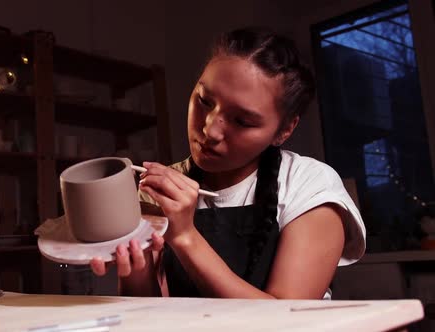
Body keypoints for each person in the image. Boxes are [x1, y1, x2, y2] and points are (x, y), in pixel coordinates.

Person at [90, 27, 366, 299]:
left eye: (242, 121)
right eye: (204, 101)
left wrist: (185, 236)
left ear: (284, 130)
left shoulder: (310, 184)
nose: (210, 130)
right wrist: (135, 269)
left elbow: (285, 319)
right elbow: (151, 314)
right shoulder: (162, 186)